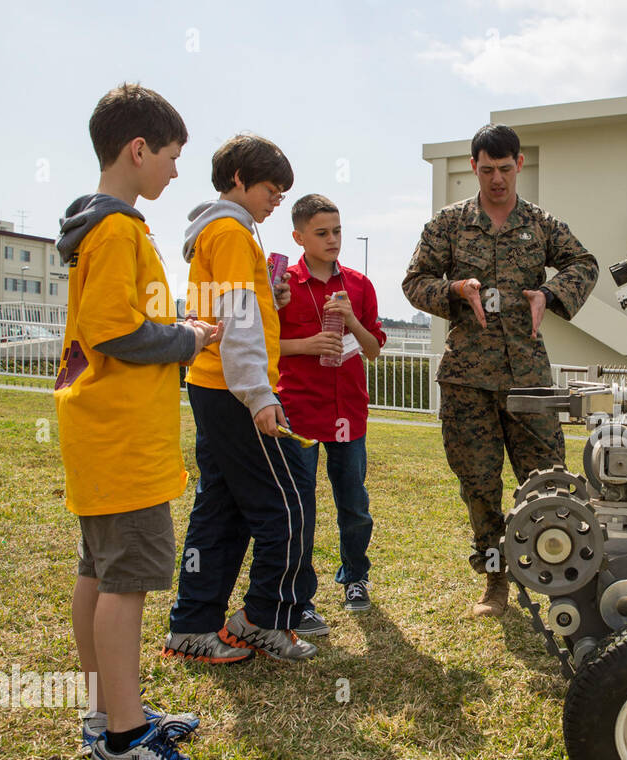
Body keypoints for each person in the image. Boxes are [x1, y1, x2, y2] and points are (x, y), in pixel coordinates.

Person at [56, 84, 223, 760]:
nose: (177, 172)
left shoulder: (100, 227)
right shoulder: (119, 229)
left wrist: (177, 331)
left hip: (100, 434)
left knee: (98, 573)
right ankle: (125, 746)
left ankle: (107, 717)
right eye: (173, 157)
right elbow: (113, 331)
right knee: (126, 585)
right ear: (138, 150)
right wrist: (186, 337)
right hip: (123, 439)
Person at [402, 123, 599, 617]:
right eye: (486, 169)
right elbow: (413, 281)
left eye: (505, 169)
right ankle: (496, 582)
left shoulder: (540, 223)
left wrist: (549, 294)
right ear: (473, 167)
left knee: (548, 481)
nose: (496, 179)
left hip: (529, 378)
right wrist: (453, 291)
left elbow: (585, 264)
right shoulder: (448, 224)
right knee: (480, 485)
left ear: (520, 165)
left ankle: (558, 576)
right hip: (468, 378)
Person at [164, 134, 322, 663]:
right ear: (237, 179)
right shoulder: (231, 231)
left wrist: (268, 297)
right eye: (271, 188)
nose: (277, 199)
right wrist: (259, 393)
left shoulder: (219, 231)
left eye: (281, 191)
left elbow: (233, 307)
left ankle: (193, 624)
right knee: (288, 504)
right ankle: (262, 618)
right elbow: (239, 319)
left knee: (222, 506)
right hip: (235, 389)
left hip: (210, 383)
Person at [277, 194, 386, 615]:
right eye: (322, 233)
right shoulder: (283, 284)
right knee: (300, 509)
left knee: (354, 505)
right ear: (298, 236)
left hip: (349, 413)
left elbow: (374, 349)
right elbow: (263, 345)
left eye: (337, 231)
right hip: (299, 411)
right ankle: (299, 597)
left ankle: (355, 577)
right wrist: (307, 345)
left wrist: (353, 320)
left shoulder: (358, 284)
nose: (333, 239)